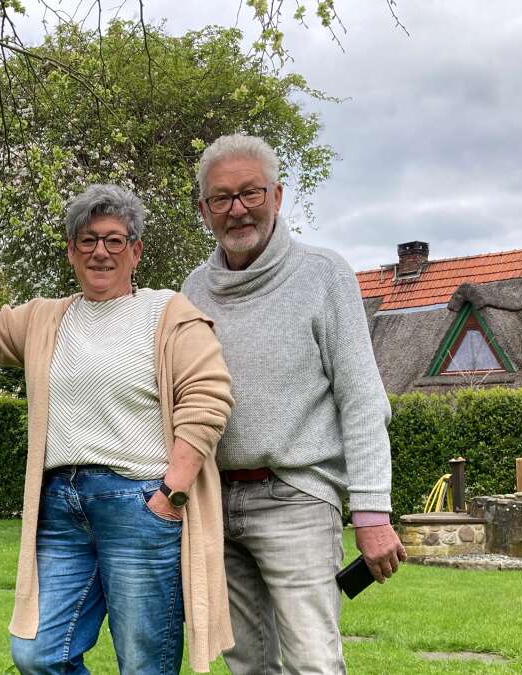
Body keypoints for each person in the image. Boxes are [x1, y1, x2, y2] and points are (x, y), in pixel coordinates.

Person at [0, 184, 235, 674]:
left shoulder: (168, 314)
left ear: (136, 250)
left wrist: (171, 494)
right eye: (87, 240)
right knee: (37, 655)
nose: (100, 252)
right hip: (61, 507)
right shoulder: (45, 319)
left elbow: (207, 401)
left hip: (140, 504)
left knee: (145, 663)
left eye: (114, 240)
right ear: (71, 251)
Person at [181, 135, 407, 675]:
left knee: (313, 661)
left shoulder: (324, 276)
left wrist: (371, 513)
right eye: (221, 198)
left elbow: (361, 400)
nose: (237, 209)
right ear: (204, 210)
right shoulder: (193, 290)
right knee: (245, 665)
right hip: (215, 502)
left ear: (277, 196)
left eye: (250, 193)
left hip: (298, 498)